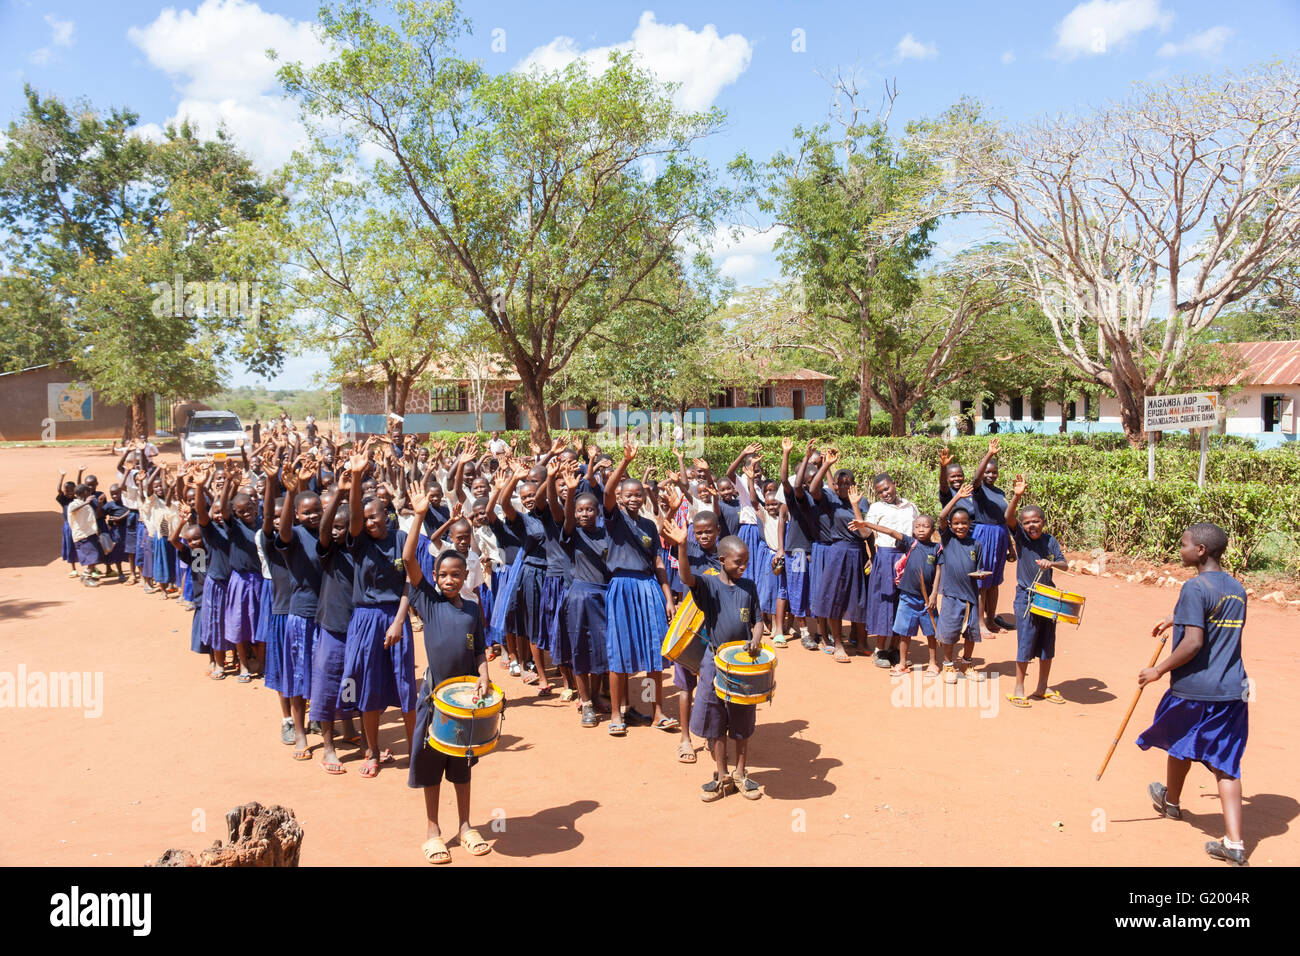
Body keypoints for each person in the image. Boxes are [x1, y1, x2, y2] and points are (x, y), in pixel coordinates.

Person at [1136, 522, 1250, 866]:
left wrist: (1158, 670)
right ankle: (1234, 844)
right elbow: (1213, 621)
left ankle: (1172, 803)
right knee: (1226, 764)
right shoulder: (1237, 588)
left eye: (1184, 544)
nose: (1180, 548)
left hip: (1194, 689)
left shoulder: (1194, 587)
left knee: (1177, 739)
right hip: (1231, 690)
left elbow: (1195, 642)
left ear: (1200, 551)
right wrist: (1177, 618)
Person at [662, 521, 765, 802]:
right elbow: (685, 577)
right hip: (714, 662)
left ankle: (741, 773)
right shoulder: (708, 585)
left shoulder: (749, 586)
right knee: (716, 721)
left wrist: (756, 638)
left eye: (746, 562)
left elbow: (758, 620)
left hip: (744, 665)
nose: (744, 566)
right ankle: (721, 776)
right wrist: (682, 545)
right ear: (722, 561)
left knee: (743, 721)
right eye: (738, 562)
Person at [343, 445, 416, 778]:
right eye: (366, 517)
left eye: (376, 516)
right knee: (368, 686)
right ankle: (372, 751)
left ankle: (416, 750)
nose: (371, 522)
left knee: (405, 686)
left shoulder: (401, 539)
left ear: (387, 514)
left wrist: (400, 620)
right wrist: (357, 475)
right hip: (366, 619)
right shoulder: (360, 542)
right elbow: (355, 519)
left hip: (396, 618)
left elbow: (409, 584)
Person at [602, 437, 676, 736]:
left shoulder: (647, 525)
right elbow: (606, 491)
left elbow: (658, 560)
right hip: (621, 587)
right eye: (628, 494)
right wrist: (626, 462)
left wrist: (668, 596)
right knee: (619, 652)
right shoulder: (613, 517)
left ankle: (655, 711)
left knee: (653, 652)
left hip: (648, 588)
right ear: (620, 497)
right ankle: (617, 713)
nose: (633, 498)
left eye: (638, 495)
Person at [850, 511, 941, 677]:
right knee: (904, 633)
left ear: (933, 530)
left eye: (926, 526)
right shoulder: (910, 543)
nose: (921, 529)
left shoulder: (937, 549)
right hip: (907, 598)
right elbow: (890, 532)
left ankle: (933, 663)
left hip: (927, 600)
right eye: (917, 526)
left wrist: (934, 594)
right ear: (913, 530)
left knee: (931, 633)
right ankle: (902, 664)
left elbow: (939, 571)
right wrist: (866, 524)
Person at [1004, 474, 1068, 707]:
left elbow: (1064, 563)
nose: (1031, 525)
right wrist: (1016, 496)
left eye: (1035, 521)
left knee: (1046, 643)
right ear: (1022, 526)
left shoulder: (1051, 541)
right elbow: (1007, 517)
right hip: (1026, 596)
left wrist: (1051, 564)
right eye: (1027, 522)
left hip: (1048, 596)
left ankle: (1042, 686)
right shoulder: (1021, 539)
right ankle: (1019, 688)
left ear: (1043, 522)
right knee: (1025, 642)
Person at [559, 463, 611, 729]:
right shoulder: (574, 534)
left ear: (598, 511)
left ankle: (597, 694)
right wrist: (570, 494)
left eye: (589, 509)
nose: (584, 514)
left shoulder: (606, 534)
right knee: (580, 649)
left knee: (603, 651)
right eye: (580, 510)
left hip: (604, 597)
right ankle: (586, 702)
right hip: (580, 596)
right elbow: (567, 520)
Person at [806, 447, 869, 662]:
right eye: (840, 484)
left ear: (853, 484)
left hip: (857, 553)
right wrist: (826, 465)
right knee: (835, 598)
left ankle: (860, 642)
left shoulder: (861, 501)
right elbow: (814, 488)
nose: (843, 487)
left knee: (858, 599)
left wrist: (854, 505)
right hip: (837, 552)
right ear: (835, 486)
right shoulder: (830, 500)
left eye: (847, 483)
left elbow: (864, 532)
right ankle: (838, 644)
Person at [851, 475, 919, 667]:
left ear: (895, 485)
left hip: (907, 558)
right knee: (885, 602)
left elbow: (916, 533)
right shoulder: (876, 508)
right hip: (886, 557)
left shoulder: (911, 507)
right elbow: (864, 532)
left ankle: (894, 649)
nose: (884, 494)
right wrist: (855, 506)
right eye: (880, 492)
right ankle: (880, 649)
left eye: (887, 489)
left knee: (903, 603)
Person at [936, 484, 982, 683]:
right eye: (956, 523)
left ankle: (966, 664)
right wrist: (956, 498)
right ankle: (948, 666)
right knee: (950, 632)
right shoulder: (948, 539)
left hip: (971, 596)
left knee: (971, 632)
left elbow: (979, 568)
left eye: (964, 523)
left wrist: (981, 575)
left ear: (969, 524)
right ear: (951, 525)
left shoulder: (976, 544)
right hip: (952, 595)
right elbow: (941, 517)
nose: (960, 526)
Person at [971, 439, 1012, 634]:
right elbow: (975, 478)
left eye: (993, 472)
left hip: (1000, 535)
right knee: (983, 581)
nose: (990, 475)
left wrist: (1011, 547)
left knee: (995, 582)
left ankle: (991, 620)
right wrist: (989, 454)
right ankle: (979, 623)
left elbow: (1004, 519)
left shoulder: (1000, 492)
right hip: (983, 534)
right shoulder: (979, 490)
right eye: (987, 472)